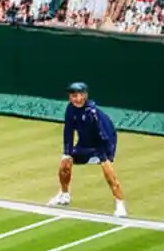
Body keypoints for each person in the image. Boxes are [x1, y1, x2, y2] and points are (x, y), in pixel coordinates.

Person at [47, 83, 128, 218]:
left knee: (110, 177)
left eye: (79, 95)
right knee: (64, 164)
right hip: (84, 146)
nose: (76, 99)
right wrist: (67, 152)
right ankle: (64, 195)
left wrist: (107, 155)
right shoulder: (70, 109)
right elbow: (68, 131)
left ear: (85, 95)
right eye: (73, 96)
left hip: (101, 146)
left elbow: (106, 134)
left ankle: (120, 205)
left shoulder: (93, 112)